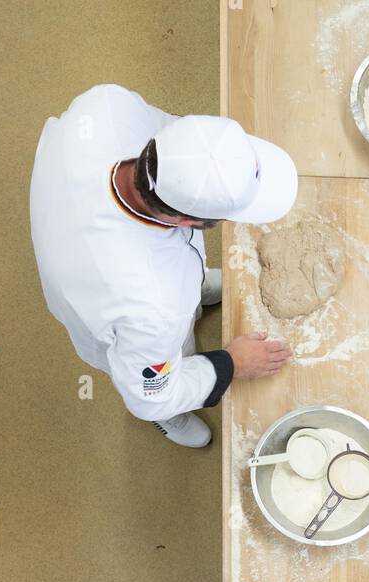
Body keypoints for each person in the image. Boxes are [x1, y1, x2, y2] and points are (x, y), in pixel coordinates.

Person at [30, 84, 297, 449]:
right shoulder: (153, 307)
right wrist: (231, 363)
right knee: (167, 366)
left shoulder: (107, 104)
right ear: (186, 221)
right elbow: (148, 393)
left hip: (65, 222)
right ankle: (169, 419)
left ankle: (198, 291)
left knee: (177, 302)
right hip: (99, 303)